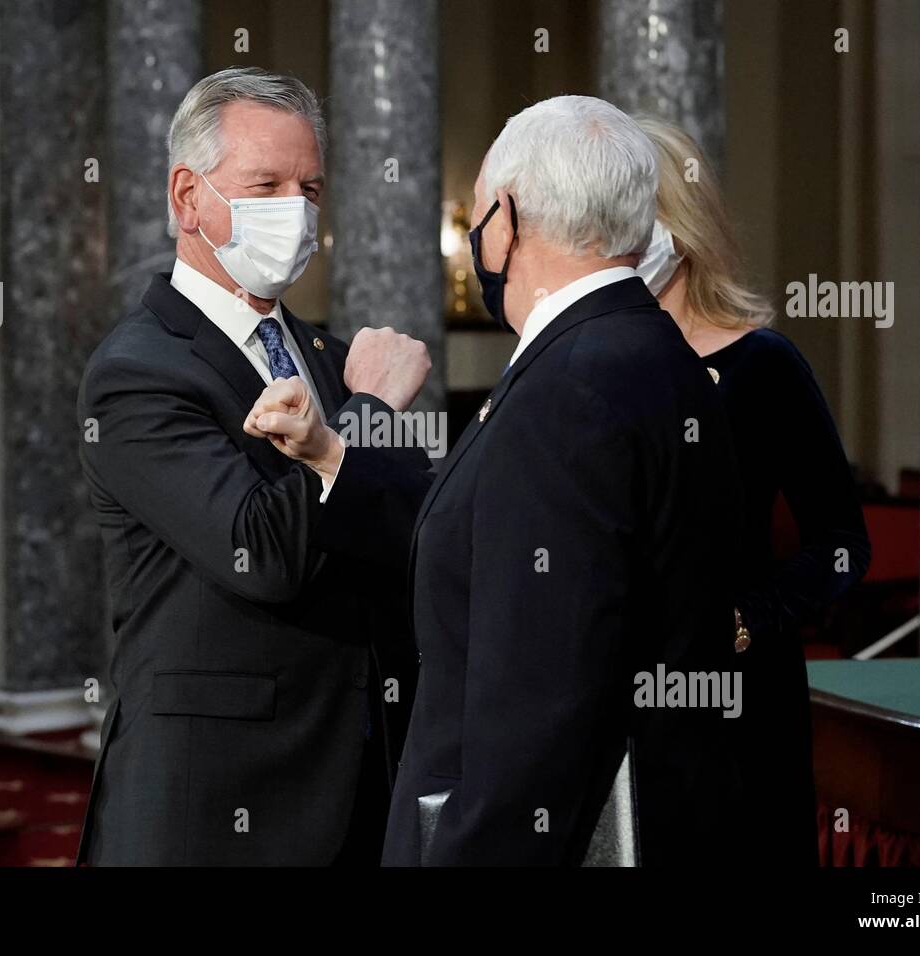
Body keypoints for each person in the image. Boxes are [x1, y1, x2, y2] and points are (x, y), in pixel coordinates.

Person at [255, 95, 749, 865]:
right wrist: (336, 454)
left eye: (480, 213)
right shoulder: (652, 352)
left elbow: (540, 709)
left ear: (507, 222)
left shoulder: (570, 386)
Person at [75, 67, 433, 866]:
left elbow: (411, 532)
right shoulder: (138, 372)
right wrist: (370, 416)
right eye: (265, 183)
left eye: (310, 187)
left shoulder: (330, 360)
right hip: (215, 800)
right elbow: (260, 554)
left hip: (358, 781)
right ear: (187, 196)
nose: (295, 210)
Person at [636, 115, 872, 865]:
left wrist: (749, 617)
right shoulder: (585, 362)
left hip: (737, 700)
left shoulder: (763, 364)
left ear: (674, 221)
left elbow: (842, 543)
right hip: (616, 700)